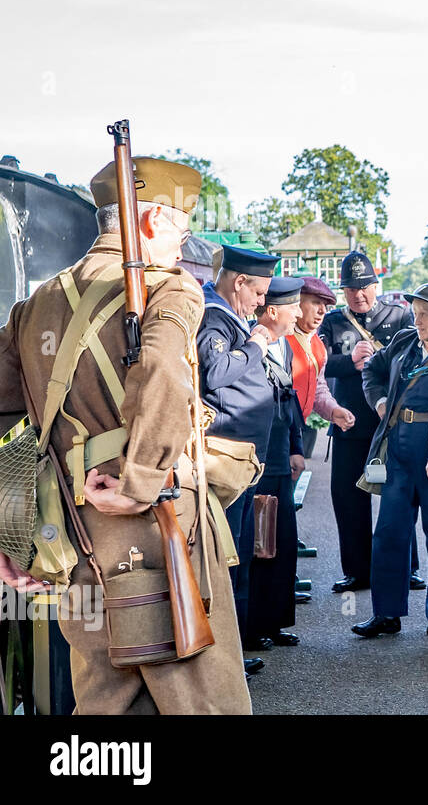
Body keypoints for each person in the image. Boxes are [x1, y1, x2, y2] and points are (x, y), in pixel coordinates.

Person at [0, 157, 250, 713]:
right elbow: (162, 367)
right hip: (159, 517)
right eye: (182, 234)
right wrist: (141, 479)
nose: (181, 250)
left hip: (71, 532)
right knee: (197, 691)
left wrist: (9, 530)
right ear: (155, 220)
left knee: (105, 696)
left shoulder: (34, 306)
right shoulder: (171, 288)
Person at [351, 283, 428, 638]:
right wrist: (380, 403)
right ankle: (387, 613)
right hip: (397, 448)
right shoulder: (404, 342)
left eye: (425, 314)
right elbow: (372, 372)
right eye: (415, 313)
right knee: (389, 534)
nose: (418, 319)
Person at [197, 244, 279, 669]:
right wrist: (258, 346)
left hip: (238, 458)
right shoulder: (214, 317)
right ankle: (222, 660)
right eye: (259, 292)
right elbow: (214, 373)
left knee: (239, 555)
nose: (263, 302)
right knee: (225, 559)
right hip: (224, 458)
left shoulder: (229, 317)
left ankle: (231, 652)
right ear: (239, 281)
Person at [318, 251, 413, 593]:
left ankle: (406, 567)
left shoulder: (400, 316)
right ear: (343, 291)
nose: (359, 294)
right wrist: (350, 362)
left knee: (397, 496)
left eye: (365, 287)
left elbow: (415, 360)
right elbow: (321, 364)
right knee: (349, 499)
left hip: (389, 426)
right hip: (349, 425)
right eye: (351, 288)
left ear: (376, 284)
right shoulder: (332, 321)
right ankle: (358, 571)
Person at [245, 278, 306, 651]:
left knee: (281, 541)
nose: (299, 313)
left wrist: (298, 445)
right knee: (259, 543)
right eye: (294, 307)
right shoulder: (253, 341)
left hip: (281, 455)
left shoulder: (283, 345)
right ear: (272, 312)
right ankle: (255, 626)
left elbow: (291, 401)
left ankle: (276, 620)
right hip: (260, 459)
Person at [289, 276, 355, 454]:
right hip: (276, 432)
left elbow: (317, 387)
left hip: (295, 431)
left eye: (326, 306)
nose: (322, 311)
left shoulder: (317, 344)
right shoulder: (281, 338)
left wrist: (333, 410)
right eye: (316, 302)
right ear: (297, 303)